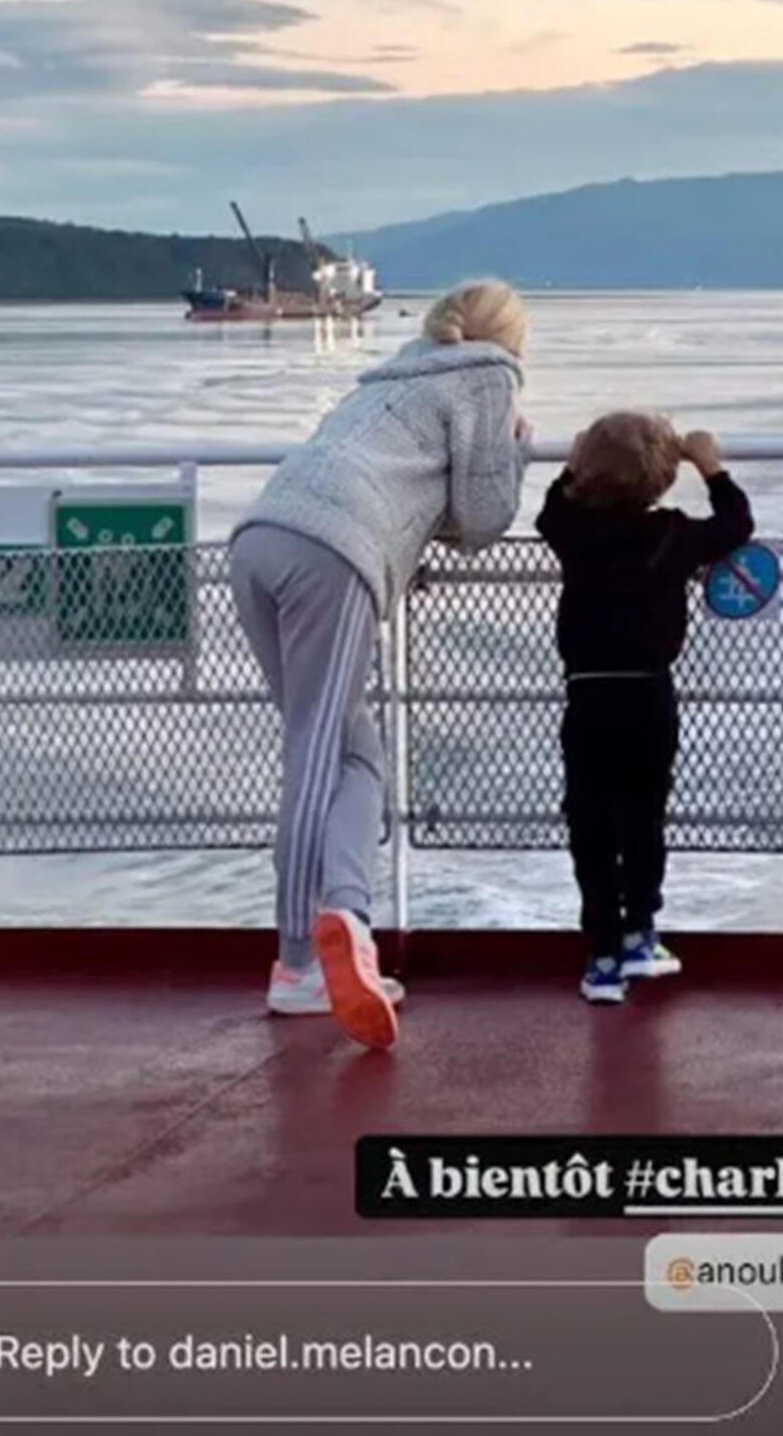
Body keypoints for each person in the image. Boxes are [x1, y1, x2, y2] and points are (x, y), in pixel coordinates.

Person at [230, 279, 529, 1049]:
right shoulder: (490, 373)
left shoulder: (393, 374)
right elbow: (486, 516)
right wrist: (519, 447)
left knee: (354, 755)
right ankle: (298, 959)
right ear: (508, 334)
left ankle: (346, 920)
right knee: (318, 754)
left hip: (260, 537)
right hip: (332, 554)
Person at [536, 415, 754, 1005]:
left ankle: (601, 953)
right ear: (661, 479)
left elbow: (548, 514)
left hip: (588, 697)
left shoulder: (574, 532)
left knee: (590, 824)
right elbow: (737, 524)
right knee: (643, 819)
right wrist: (710, 465)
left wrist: (571, 464)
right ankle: (641, 932)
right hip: (650, 697)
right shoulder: (675, 535)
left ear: (588, 472)